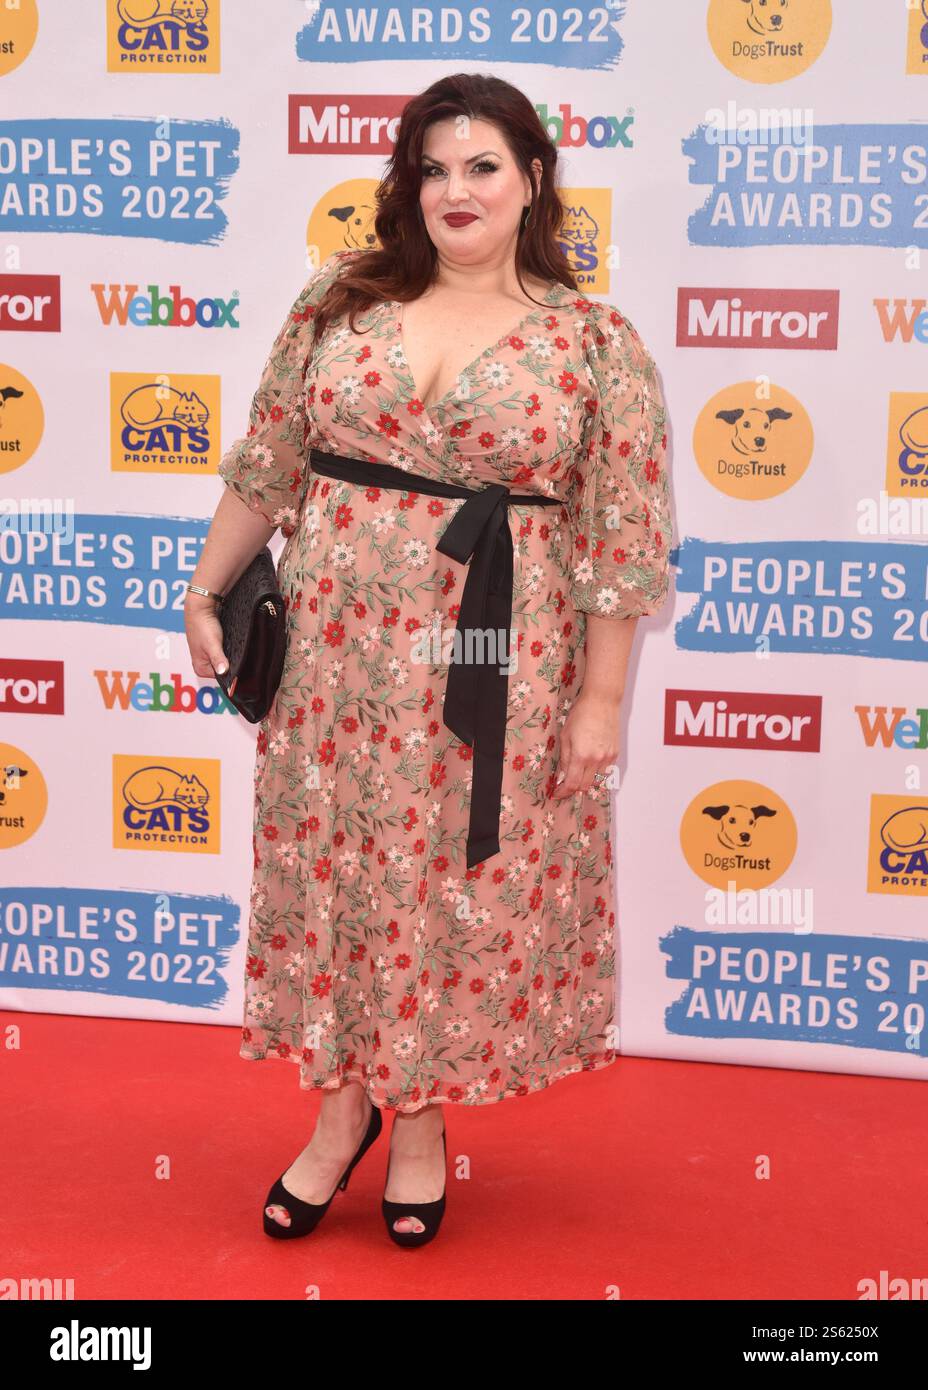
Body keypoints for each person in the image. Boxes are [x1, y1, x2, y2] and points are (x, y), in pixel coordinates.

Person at [184, 72, 674, 1248]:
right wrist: (204, 588)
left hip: (498, 660)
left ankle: (418, 1122)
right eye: (433, 168)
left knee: (458, 889)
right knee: (339, 877)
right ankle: (336, 1110)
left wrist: (601, 701)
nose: (455, 190)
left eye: (482, 167)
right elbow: (268, 466)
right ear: (407, 185)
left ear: (532, 182)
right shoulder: (338, 304)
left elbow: (620, 541)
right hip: (338, 663)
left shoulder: (593, 343)